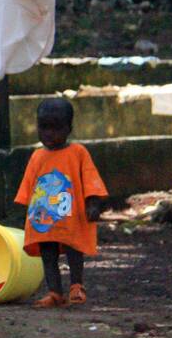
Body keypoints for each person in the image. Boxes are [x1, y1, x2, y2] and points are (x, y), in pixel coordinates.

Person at [14, 98, 108, 308]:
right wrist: (26, 214)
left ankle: (76, 286)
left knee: (74, 251)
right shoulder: (37, 156)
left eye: (56, 128)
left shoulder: (78, 153)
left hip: (71, 218)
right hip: (44, 220)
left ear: (69, 128)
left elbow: (90, 179)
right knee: (48, 256)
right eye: (43, 127)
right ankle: (55, 292)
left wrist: (93, 203)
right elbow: (29, 188)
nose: (49, 133)